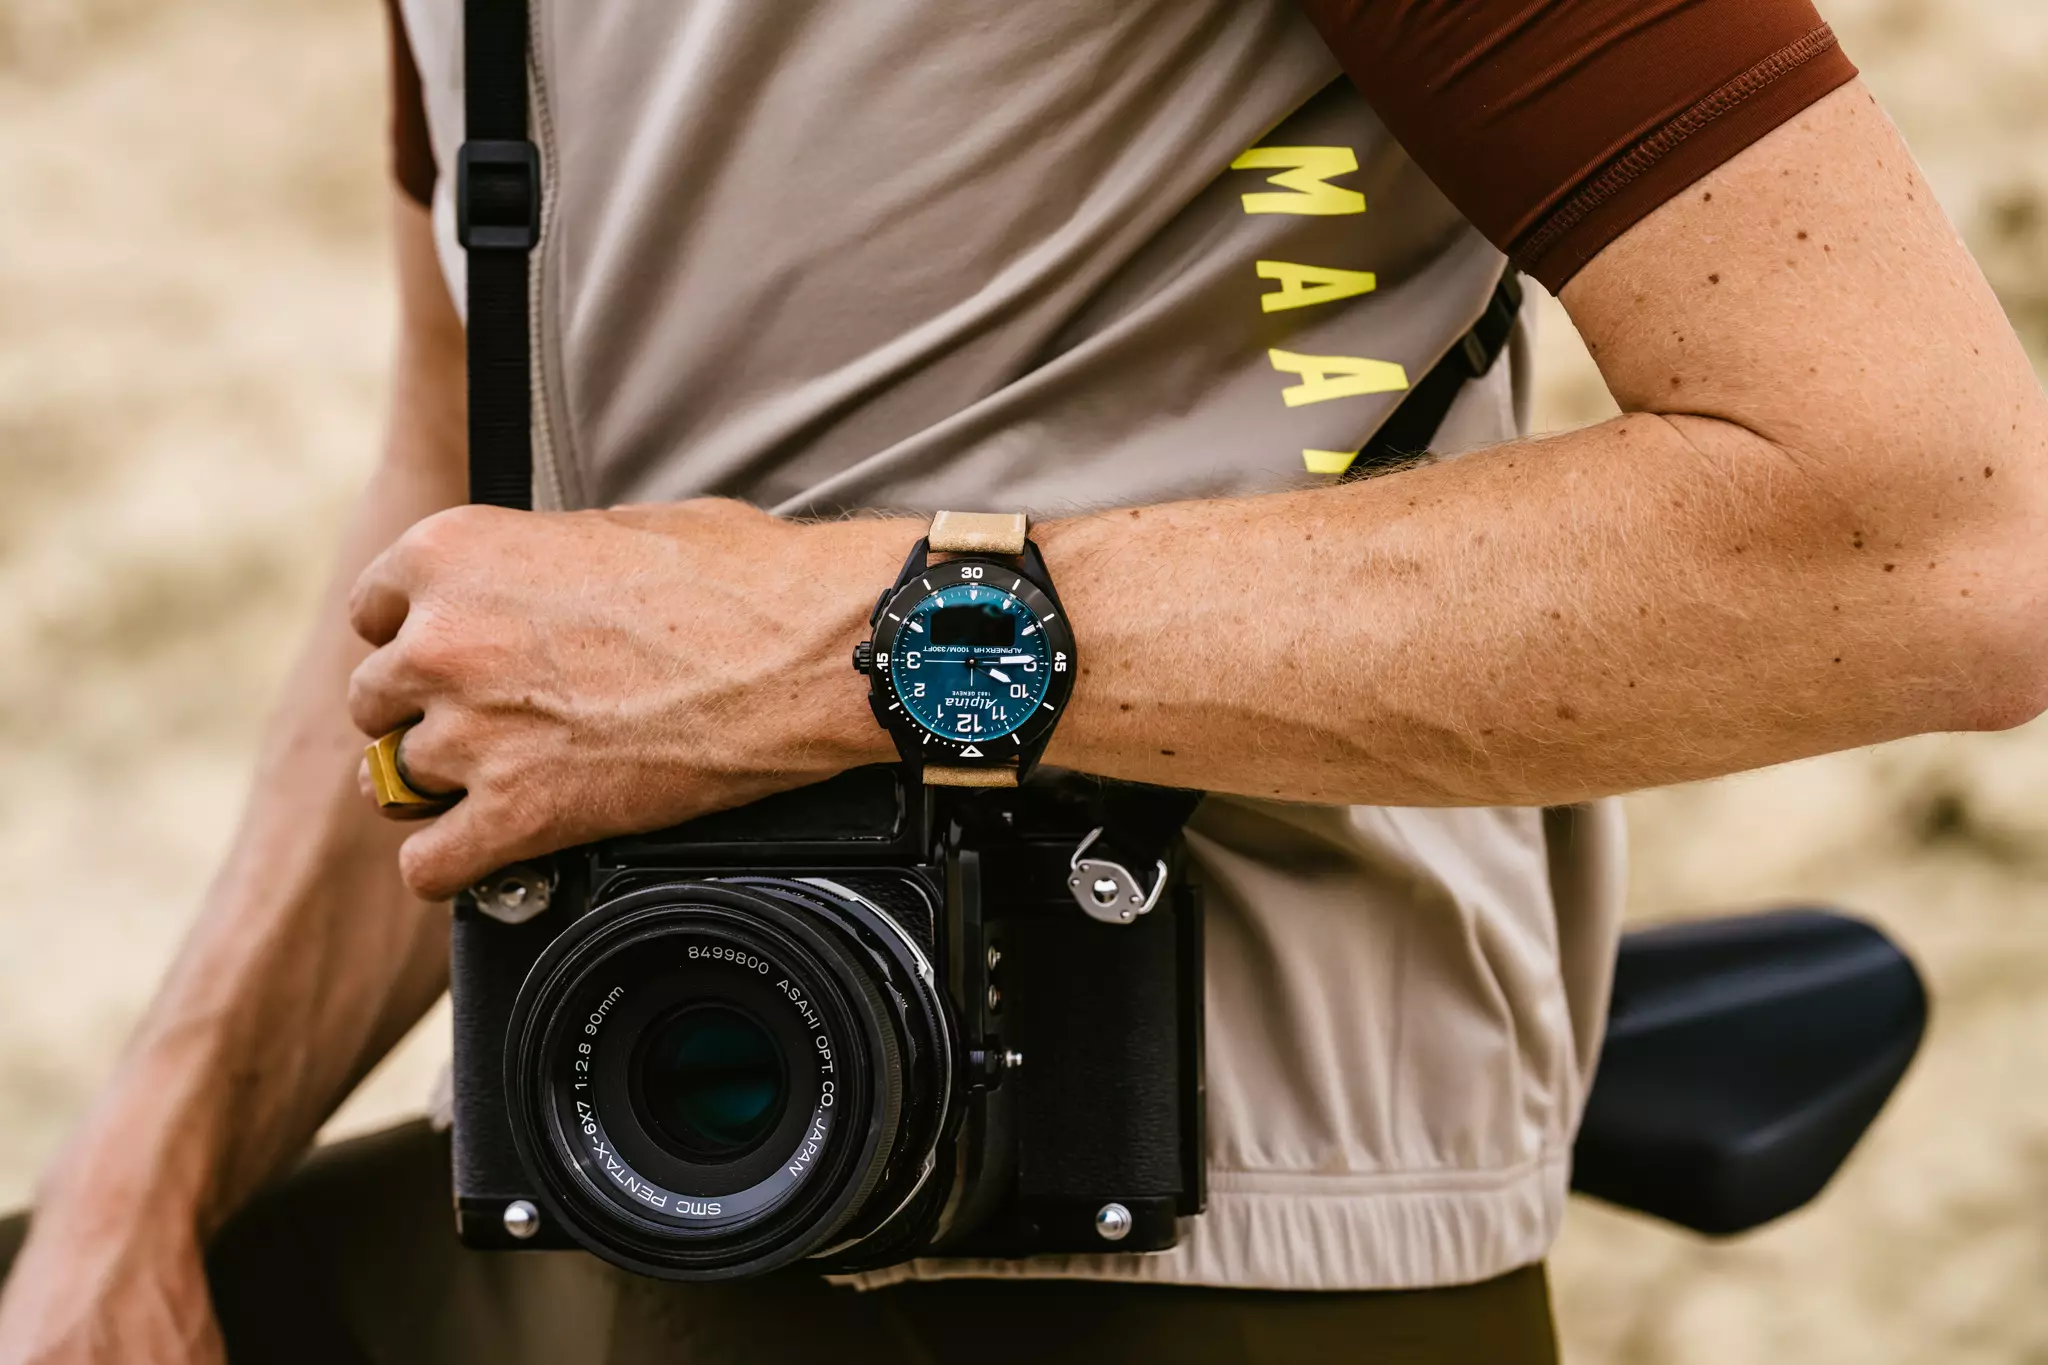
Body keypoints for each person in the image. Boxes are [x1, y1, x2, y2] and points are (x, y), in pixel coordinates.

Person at [3, 0, 2044, 1360]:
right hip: (614, 1140)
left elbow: (1931, 535)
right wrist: (146, 1165)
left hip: (1198, 1231)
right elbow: (467, 511)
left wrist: (853, 648)